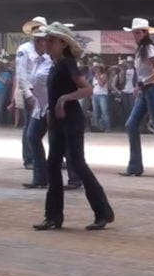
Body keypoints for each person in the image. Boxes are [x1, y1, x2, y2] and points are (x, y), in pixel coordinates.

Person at [33, 22, 114, 231]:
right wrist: (52, 111)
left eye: (51, 40)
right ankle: (53, 216)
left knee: (77, 163)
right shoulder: (55, 64)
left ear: (63, 44)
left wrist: (64, 99)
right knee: (53, 165)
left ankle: (103, 212)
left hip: (72, 119)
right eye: (46, 39)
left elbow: (87, 89)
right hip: (57, 121)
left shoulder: (68, 64)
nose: (46, 43)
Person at [119, 18, 154, 177]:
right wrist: (140, 86)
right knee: (131, 125)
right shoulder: (142, 49)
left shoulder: (149, 48)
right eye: (134, 32)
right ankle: (135, 166)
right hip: (146, 90)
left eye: (138, 32)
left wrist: (142, 83)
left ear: (145, 33)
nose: (135, 35)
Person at [21, 27, 53, 189]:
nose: (36, 43)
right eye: (35, 40)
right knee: (32, 136)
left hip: (52, 106)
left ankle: (76, 177)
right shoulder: (38, 61)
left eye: (40, 40)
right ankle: (40, 177)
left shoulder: (54, 61)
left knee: (61, 143)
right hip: (39, 106)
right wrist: (29, 94)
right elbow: (27, 79)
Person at [15, 16, 47, 169]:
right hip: (31, 90)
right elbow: (21, 74)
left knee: (47, 125)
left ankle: (50, 158)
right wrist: (28, 94)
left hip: (45, 91)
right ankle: (29, 158)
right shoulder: (24, 49)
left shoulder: (47, 49)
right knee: (30, 125)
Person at [91, 62, 111, 132]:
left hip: (102, 95)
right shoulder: (94, 77)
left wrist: (98, 76)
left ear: (100, 69)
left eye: (97, 68)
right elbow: (94, 86)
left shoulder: (104, 75)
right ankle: (97, 128)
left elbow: (101, 84)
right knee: (95, 112)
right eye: (94, 68)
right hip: (95, 95)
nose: (95, 69)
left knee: (104, 112)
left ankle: (107, 127)